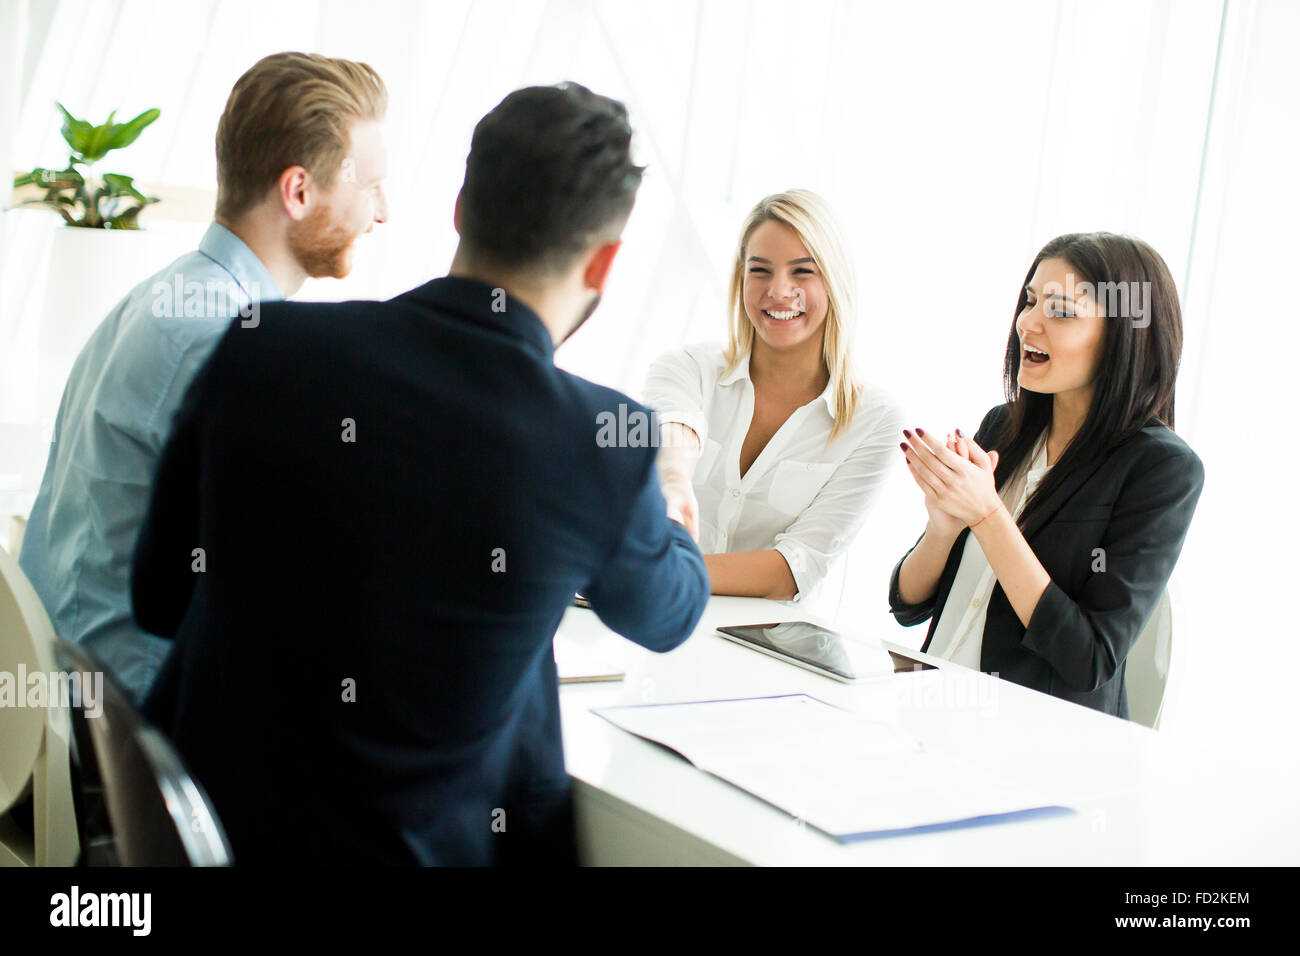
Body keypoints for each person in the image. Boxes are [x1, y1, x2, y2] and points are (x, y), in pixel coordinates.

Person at [132, 82, 710, 866]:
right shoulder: (600, 441)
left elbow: (160, 598)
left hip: (193, 837)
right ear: (605, 261)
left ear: (461, 208)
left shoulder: (262, 344)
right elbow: (668, 615)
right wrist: (671, 500)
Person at [20, 52, 389, 702]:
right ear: (299, 191)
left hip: (82, 692)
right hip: (134, 729)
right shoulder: (222, 336)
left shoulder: (170, 296)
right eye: (371, 185)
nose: (382, 211)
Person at [889, 233, 1204, 718]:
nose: (1027, 322)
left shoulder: (1162, 469)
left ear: (1124, 333)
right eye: (1031, 301)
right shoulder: (1004, 426)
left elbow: (1089, 658)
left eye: (1060, 311)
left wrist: (990, 516)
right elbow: (908, 605)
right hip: (925, 708)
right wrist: (943, 528)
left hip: (1031, 746)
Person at [644, 189, 902, 611]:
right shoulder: (687, 367)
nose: (779, 291)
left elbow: (792, 570)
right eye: (760, 271)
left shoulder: (875, 420)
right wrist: (674, 481)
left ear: (835, 281)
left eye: (802, 272)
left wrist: (661, 572)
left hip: (766, 651)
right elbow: (674, 424)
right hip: (657, 621)